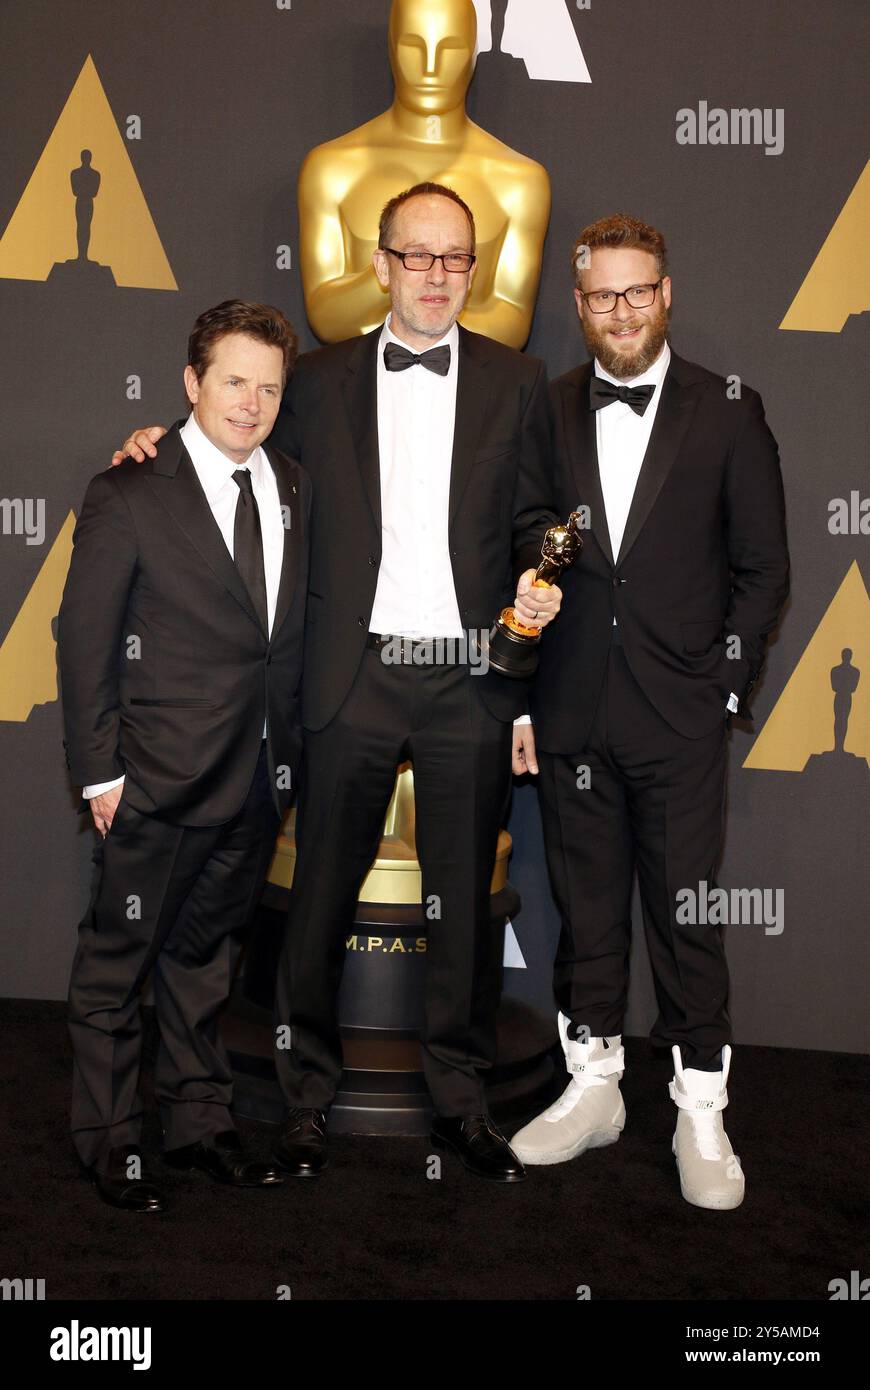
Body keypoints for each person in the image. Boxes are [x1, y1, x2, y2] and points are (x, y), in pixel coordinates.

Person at [113, 184, 561, 1184]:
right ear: (382, 263)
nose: (437, 275)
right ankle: (306, 1096)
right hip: (349, 674)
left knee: (460, 904)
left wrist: (531, 621)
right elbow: (234, 444)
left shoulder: (520, 381)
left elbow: (539, 520)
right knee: (316, 901)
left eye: (455, 258)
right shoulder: (310, 381)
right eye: (419, 256)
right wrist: (156, 446)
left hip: (468, 677)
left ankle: (460, 1099)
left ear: (473, 268)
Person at [510, 214, 789, 1209]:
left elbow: (763, 571)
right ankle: (593, 1088)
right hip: (575, 707)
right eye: (600, 296)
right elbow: (523, 539)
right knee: (586, 915)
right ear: (580, 306)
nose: (620, 311)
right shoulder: (546, 410)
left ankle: (700, 1107)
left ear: (667, 294)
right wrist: (526, 662)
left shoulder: (728, 411)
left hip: (680, 722)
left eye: (637, 292)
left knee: (686, 916)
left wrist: (723, 685)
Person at [59, 300, 310, 1211]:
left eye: (269, 387)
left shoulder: (292, 484)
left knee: (205, 965)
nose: (250, 403)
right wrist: (99, 772)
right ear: (193, 384)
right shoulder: (128, 489)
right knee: (117, 965)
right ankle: (110, 1143)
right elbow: (84, 642)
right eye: (233, 381)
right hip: (155, 777)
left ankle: (200, 1127)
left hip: (257, 778)